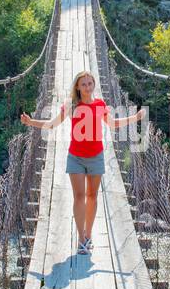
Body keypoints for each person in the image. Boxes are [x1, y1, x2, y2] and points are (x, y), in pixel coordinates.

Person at [20, 71, 146, 255]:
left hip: (96, 156)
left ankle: (89, 234)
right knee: (79, 197)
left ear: (93, 85)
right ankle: (81, 239)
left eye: (90, 83)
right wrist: (31, 122)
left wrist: (134, 118)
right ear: (78, 87)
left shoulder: (100, 105)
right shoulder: (71, 106)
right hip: (76, 157)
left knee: (92, 197)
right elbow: (52, 124)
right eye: (84, 84)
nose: (87, 87)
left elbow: (113, 124)